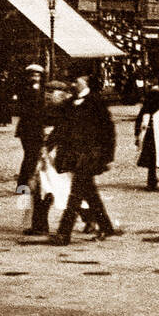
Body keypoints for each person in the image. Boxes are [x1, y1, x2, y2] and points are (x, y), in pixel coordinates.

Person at [48, 74, 119, 245]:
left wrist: (108, 156)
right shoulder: (71, 102)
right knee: (90, 193)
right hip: (73, 154)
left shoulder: (96, 102)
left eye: (77, 80)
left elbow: (108, 131)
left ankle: (64, 234)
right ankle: (106, 227)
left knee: (75, 194)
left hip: (90, 155)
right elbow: (62, 126)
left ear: (86, 83)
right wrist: (49, 143)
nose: (74, 83)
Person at [15, 64, 51, 235]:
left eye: (37, 75)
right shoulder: (27, 90)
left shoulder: (42, 92)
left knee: (34, 163)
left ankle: (25, 184)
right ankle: (24, 185)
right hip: (30, 132)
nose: (35, 78)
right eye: (32, 75)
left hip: (36, 132)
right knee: (31, 160)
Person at [134, 87, 159, 190]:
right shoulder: (151, 109)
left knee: (152, 157)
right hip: (149, 135)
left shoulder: (155, 109)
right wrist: (137, 134)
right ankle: (152, 179)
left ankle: (151, 180)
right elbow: (138, 122)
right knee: (151, 158)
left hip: (153, 135)